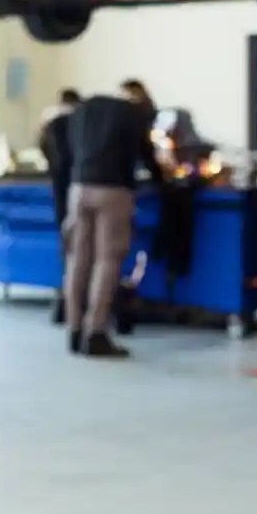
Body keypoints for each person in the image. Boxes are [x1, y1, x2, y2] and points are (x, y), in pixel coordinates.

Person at [63, 86, 165, 358]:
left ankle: (74, 329)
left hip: (78, 187)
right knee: (107, 260)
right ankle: (95, 332)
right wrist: (162, 181)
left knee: (78, 259)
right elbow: (146, 154)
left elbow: (70, 147)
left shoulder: (83, 108)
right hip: (112, 190)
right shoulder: (132, 114)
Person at [39, 88, 81, 324]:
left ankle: (65, 305)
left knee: (68, 252)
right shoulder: (80, 124)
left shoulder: (50, 123)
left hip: (60, 194)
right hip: (80, 189)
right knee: (84, 253)